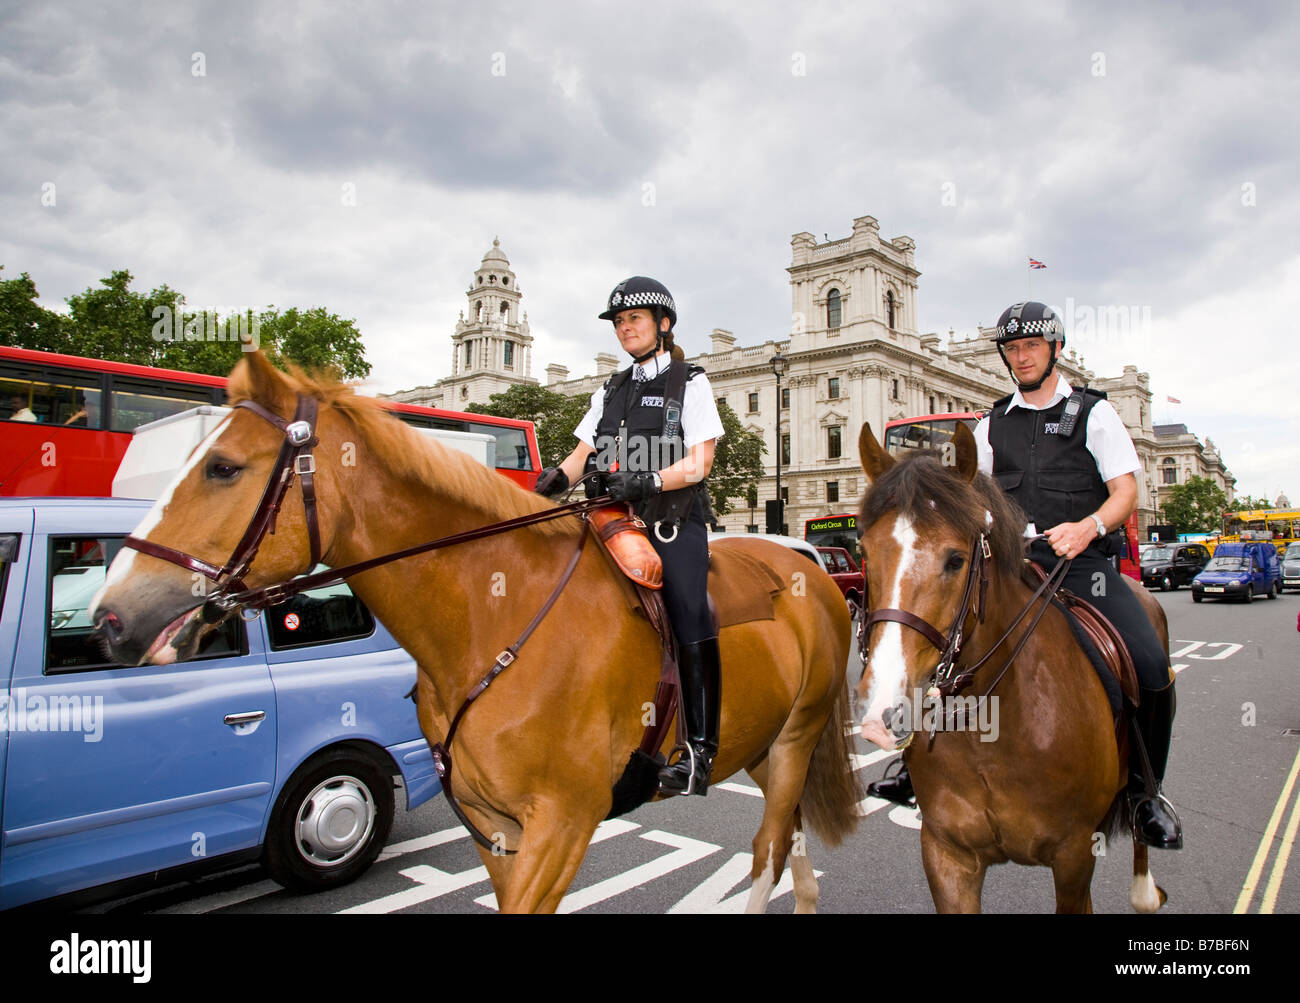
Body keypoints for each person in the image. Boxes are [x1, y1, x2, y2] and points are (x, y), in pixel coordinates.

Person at [867, 301, 1183, 851]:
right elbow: (965, 491)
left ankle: (1144, 792)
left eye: (1031, 346)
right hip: (1013, 559)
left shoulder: (1094, 413)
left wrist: (1086, 528)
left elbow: (1126, 492)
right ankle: (910, 765)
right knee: (938, 633)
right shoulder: (991, 423)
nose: (1021, 356)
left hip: (1079, 562)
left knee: (1151, 662)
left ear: (1055, 349)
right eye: (1012, 348)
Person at [535, 276, 725, 797]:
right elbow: (580, 457)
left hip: (671, 520)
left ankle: (700, 751)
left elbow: (702, 461)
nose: (625, 329)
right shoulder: (610, 388)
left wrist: (649, 479)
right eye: (619, 322)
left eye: (634, 319)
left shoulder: (691, 382)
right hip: (610, 517)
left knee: (690, 609)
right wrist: (547, 486)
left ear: (663, 325)